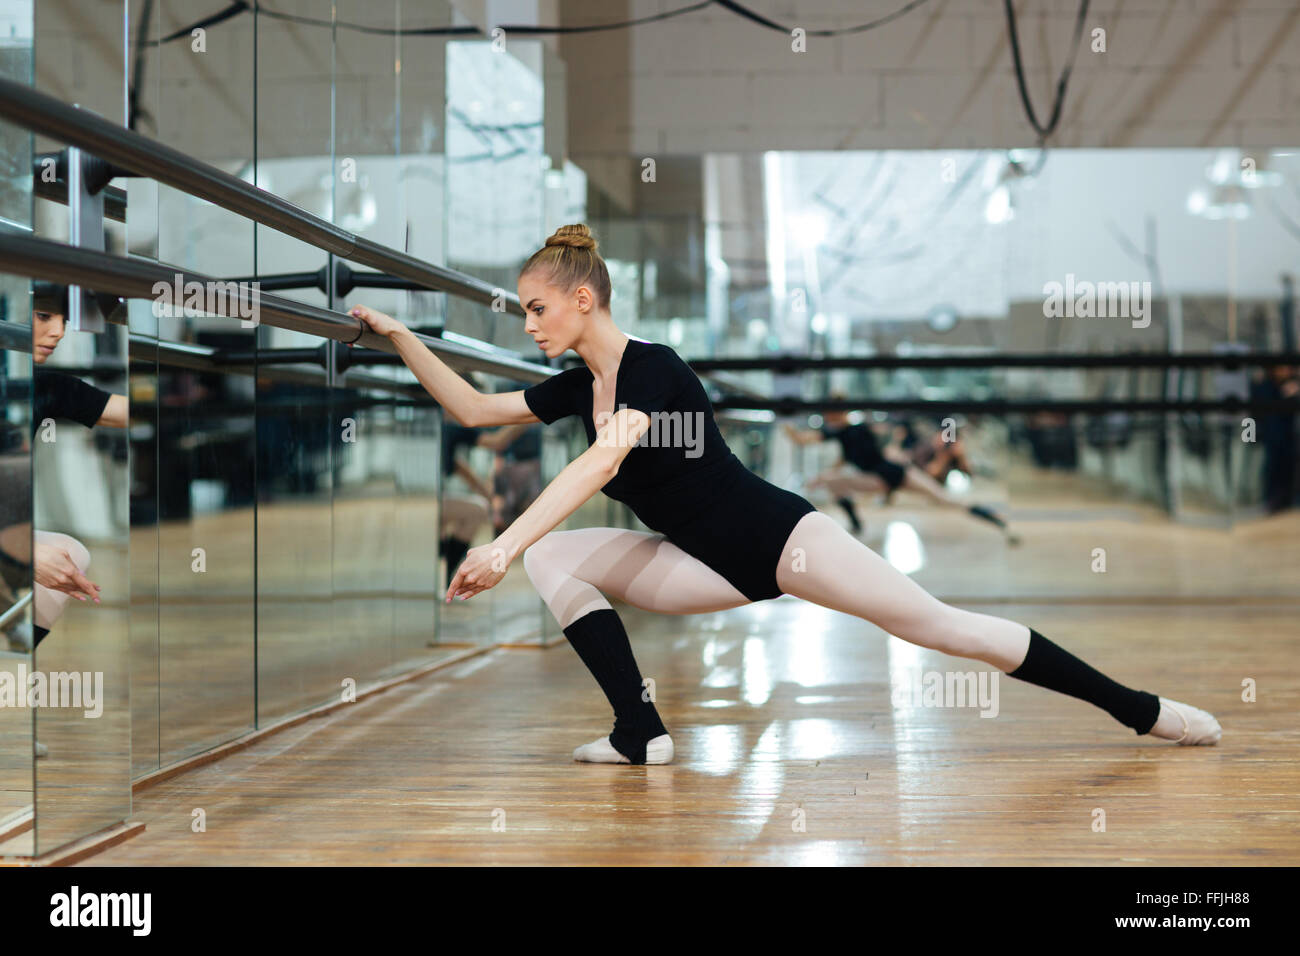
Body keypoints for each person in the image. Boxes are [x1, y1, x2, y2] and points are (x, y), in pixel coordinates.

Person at [349, 223, 1220, 766]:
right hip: (696, 561)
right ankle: (638, 732)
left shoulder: (656, 370)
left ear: (583, 300)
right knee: (557, 557)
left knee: (944, 628)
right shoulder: (578, 384)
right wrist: (397, 337)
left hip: (776, 539)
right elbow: (469, 406)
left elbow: (601, 468)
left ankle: (1142, 712)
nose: (529, 326)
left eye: (537, 309)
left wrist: (499, 544)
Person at [784, 403, 1017, 543]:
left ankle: (997, 520)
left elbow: (803, 440)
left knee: (946, 499)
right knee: (833, 482)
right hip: (893, 473)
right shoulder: (847, 433)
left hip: (885, 476)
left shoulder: (850, 431)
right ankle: (855, 524)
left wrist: (785, 422)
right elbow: (842, 459)